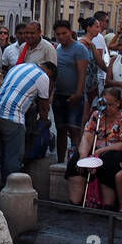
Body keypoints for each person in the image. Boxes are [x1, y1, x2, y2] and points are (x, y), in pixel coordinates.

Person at [67, 86, 122, 208]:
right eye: (104, 104)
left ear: (118, 103)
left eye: (110, 105)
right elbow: (88, 135)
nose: (106, 108)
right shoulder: (97, 115)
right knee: (75, 162)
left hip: (115, 150)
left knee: (107, 165)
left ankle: (107, 205)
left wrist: (101, 150)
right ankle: (75, 202)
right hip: (96, 148)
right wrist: (83, 157)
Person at [0, 59, 50, 190]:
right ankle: (13, 191)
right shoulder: (43, 77)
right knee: (14, 156)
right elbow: (44, 107)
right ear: (50, 73)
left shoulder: (20, 66)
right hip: (12, 116)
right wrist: (45, 123)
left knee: (5, 152)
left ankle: (3, 187)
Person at [52, 21, 92, 164]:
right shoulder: (57, 49)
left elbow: (82, 74)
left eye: (64, 33)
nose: (61, 37)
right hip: (59, 95)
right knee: (60, 130)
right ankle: (61, 161)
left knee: (74, 130)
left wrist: (78, 93)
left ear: (70, 32)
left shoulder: (79, 49)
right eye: (58, 34)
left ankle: (76, 161)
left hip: (74, 96)